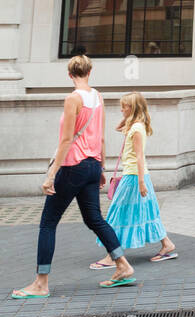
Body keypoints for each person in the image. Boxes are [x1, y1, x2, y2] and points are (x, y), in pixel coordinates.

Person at [12, 55, 135, 297]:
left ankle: (41, 283)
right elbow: (100, 137)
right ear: (90, 72)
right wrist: (101, 168)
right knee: (94, 218)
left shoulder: (72, 99)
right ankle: (122, 265)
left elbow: (67, 140)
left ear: (69, 74)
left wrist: (51, 175)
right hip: (91, 165)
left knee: (48, 222)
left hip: (72, 167)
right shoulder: (98, 97)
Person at [91, 92, 177, 267]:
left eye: (125, 107)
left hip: (134, 177)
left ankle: (112, 256)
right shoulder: (135, 125)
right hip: (136, 175)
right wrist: (128, 118)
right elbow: (117, 128)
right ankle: (166, 244)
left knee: (117, 215)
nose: (121, 109)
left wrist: (141, 183)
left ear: (134, 108)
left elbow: (139, 157)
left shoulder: (137, 129)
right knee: (148, 212)